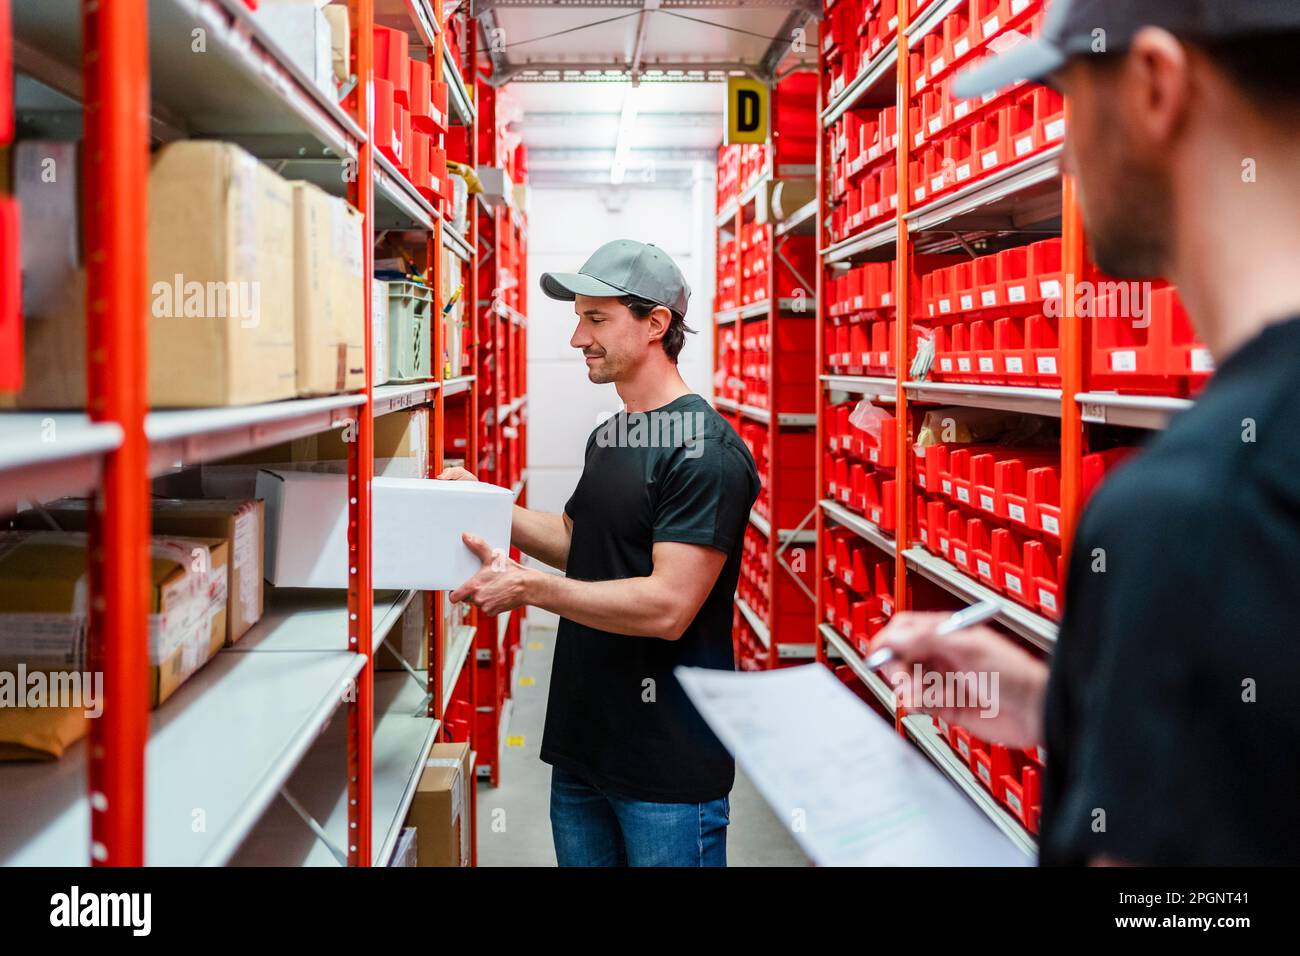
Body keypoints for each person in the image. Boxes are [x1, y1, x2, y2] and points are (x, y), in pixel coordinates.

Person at [871, 0, 1300, 865]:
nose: (1064, 153)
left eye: (1068, 98)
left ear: (1153, 86)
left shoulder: (1190, 511)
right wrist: (1063, 703)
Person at [438, 239, 760, 866]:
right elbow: (579, 540)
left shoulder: (705, 452)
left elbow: (668, 606)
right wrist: (484, 504)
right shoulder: (611, 435)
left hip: (665, 764)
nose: (577, 337)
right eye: (579, 317)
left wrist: (529, 589)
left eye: (596, 318)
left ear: (655, 324)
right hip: (584, 746)